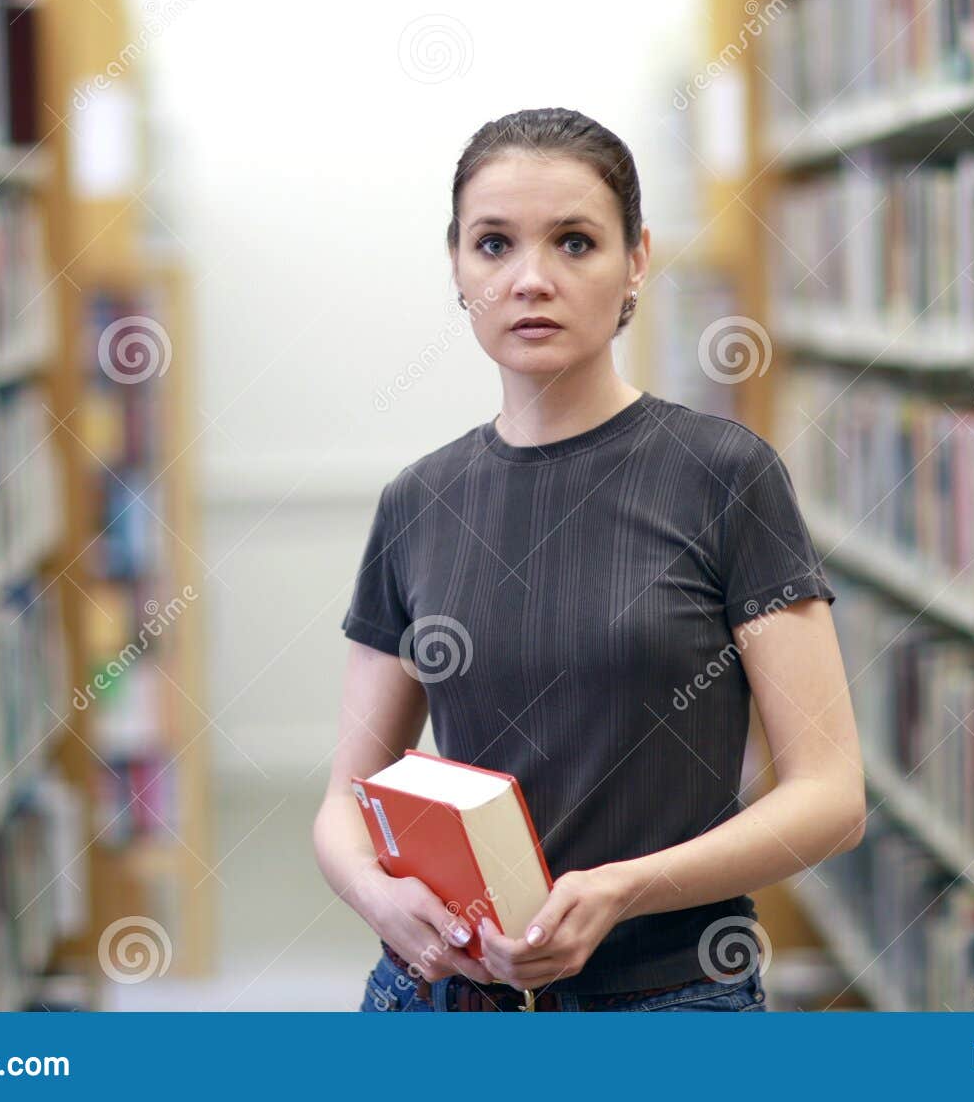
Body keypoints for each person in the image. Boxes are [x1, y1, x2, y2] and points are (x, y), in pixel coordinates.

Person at [312, 107, 866, 1012]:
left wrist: (622, 889)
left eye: (575, 242)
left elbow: (831, 796)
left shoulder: (724, 474)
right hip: (445, 996)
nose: (531, 279)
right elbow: (346, 800)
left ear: (637, 259)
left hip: (667, 997)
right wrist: (381, 897)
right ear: (456, 265)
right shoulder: (419, 500)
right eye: (494, 244)